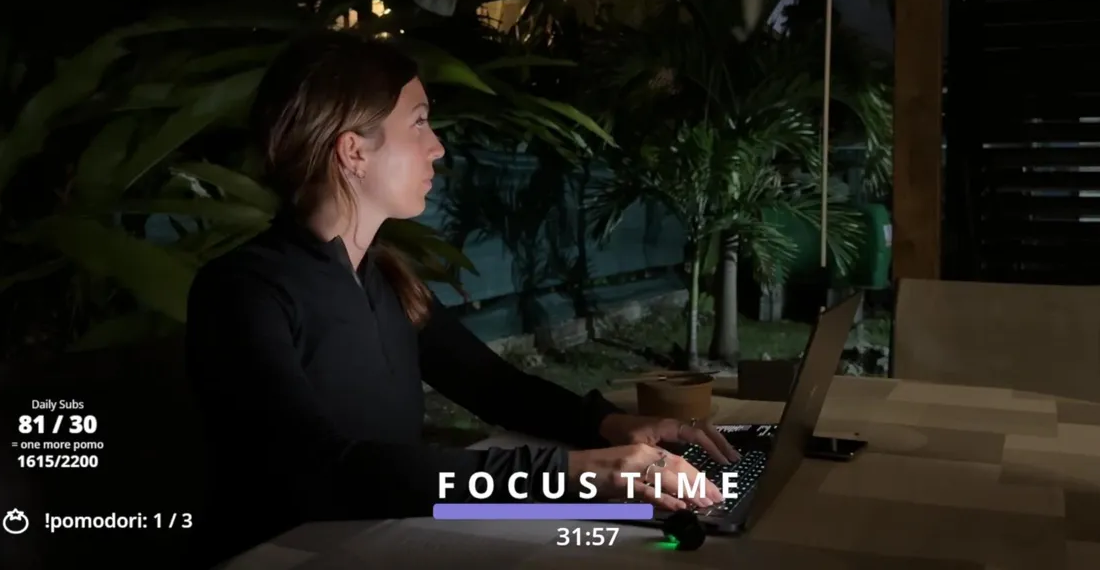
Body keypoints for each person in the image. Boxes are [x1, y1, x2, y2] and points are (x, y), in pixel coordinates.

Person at [184, 31, 740, 566]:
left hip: (378, 543)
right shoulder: (243, 292)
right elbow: (328, 470)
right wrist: (570, 474)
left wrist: (608, 425)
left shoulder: (384, 278)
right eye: (419, 123)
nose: (437, 146)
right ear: (353, 151)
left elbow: (494, 386)